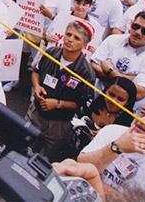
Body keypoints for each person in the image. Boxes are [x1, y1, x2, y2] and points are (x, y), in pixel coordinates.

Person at [28, 20, 96, 162]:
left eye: (76, 38)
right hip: (35, 113)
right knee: (24, 142)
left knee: (49, 159)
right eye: (68, 34)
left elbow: (82, 104)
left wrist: (58, 103)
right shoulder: (51, 52)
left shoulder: (86, 73)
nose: (70, 39)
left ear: (84, 45)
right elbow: (36, 72)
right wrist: (36, 86)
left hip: (59, 124)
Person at [90, 11, 145, 100]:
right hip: (96, 97)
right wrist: (130, 79)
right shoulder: (113, 39)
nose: (138, 32)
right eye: (136, 26)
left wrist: (110, 71)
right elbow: (93, 66)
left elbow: (139, 93)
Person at [68, 76, 139, 159]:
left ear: (128, 103)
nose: (113, 101)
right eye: (111, 94)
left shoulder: (127, 125)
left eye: (120, 99)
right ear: (105, 91)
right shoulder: (89, 104)